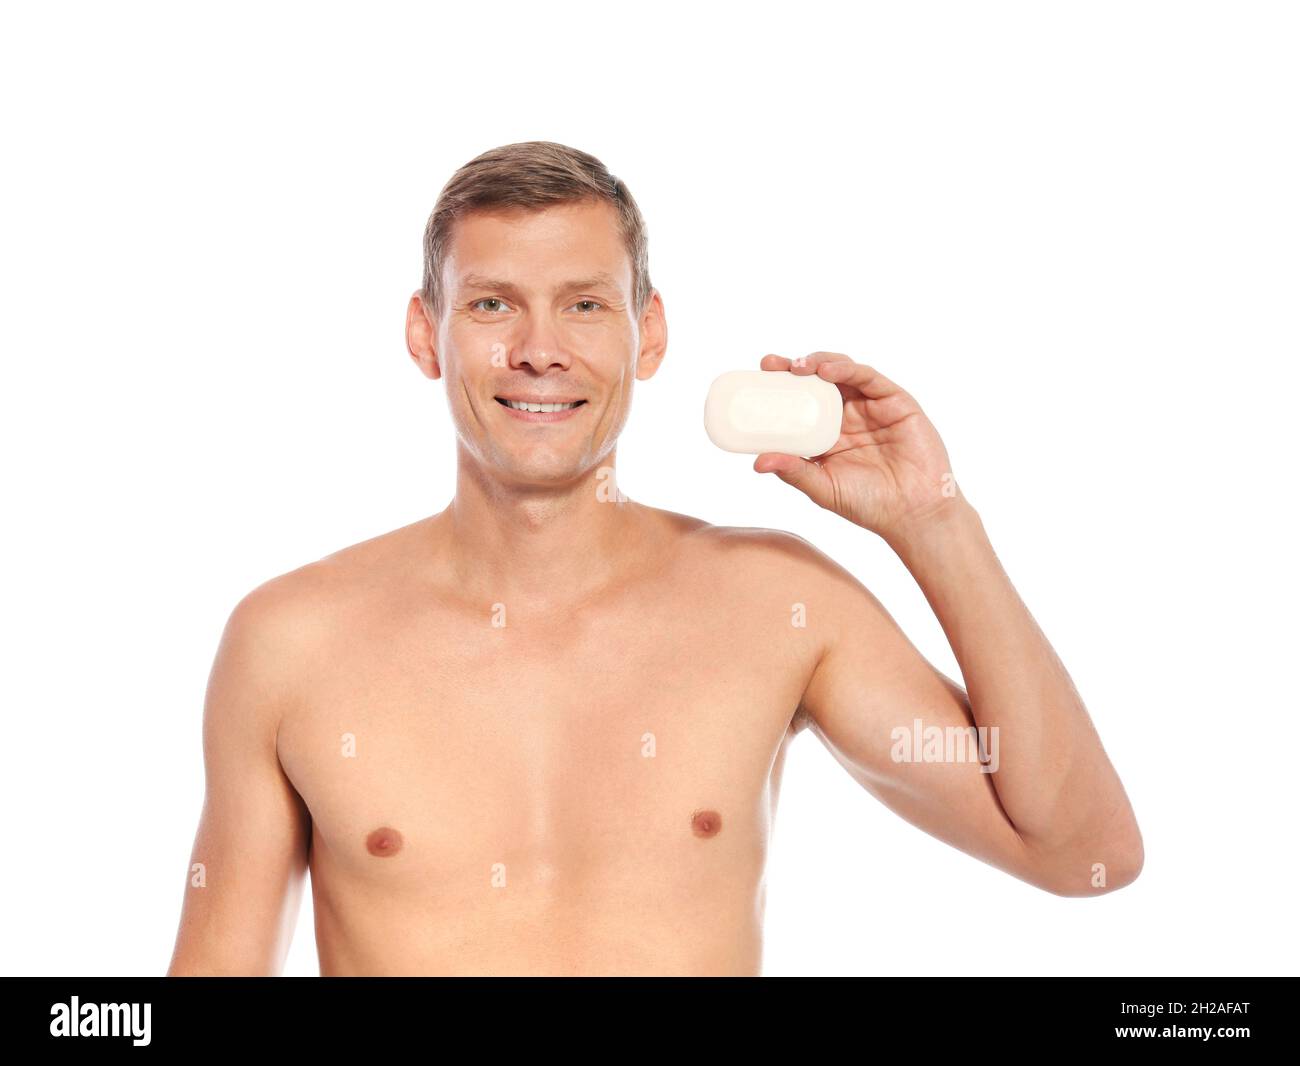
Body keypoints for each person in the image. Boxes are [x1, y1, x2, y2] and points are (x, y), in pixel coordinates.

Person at [167, 140, 1142, 977]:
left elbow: (1082, 851)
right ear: (428, 333)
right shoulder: (291, 643)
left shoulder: (775, 604)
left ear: (650, 333)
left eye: (585, 305)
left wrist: (934, 520)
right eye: (493, 304)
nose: (539, 349)